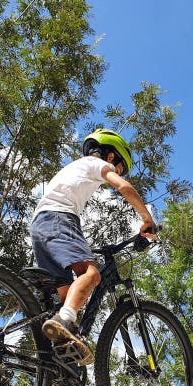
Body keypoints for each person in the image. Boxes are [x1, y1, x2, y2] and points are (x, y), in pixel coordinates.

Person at [30, 128, 157, 365]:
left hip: (39, 226)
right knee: (92, 274)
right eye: (119, 166)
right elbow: (125, 188)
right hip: (59, 218)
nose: (116, 172)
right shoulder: (95, 164)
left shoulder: (75, 168)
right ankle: (63, 321)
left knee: (70, 295)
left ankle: (58, 373)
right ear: (110, 156)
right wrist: (147, 220)